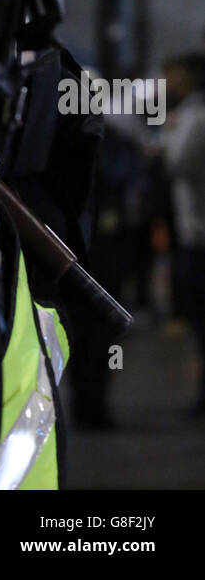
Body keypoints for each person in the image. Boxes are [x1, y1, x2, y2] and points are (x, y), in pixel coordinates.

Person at [160, 52, 205, 413]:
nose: (167, 82)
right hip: (193, 231)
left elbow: (177, 163)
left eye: (171, 74)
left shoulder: (194, 116)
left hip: (198, 233)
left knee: (200, 318)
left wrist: (168, 132)